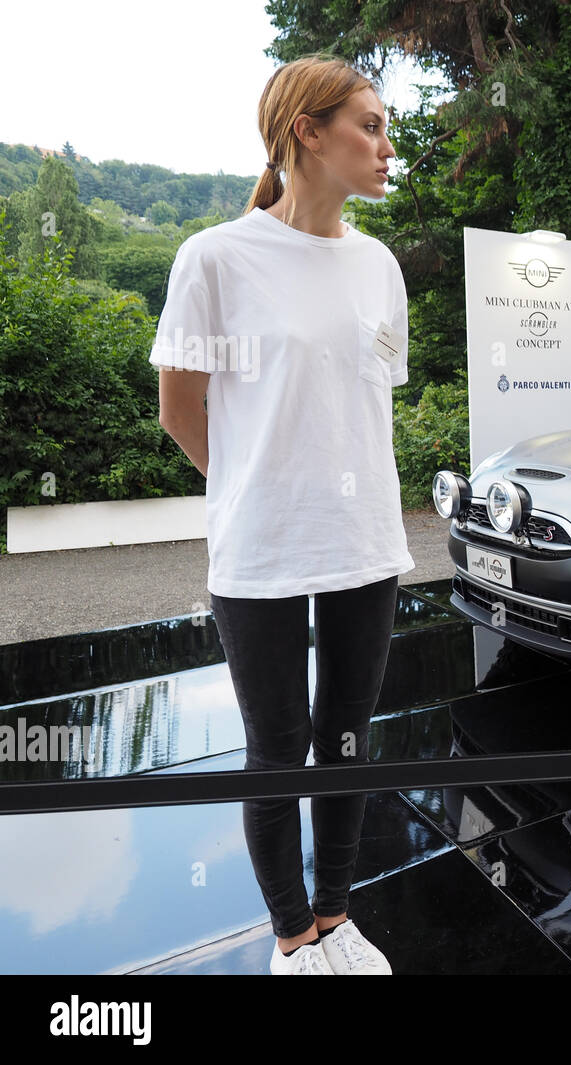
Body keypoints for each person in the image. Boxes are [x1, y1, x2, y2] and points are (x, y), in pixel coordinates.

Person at [150, 54, 414, 974]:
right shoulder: (215, 258)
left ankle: (337, 918)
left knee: (347, 735)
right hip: (260, 545)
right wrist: (252, 487)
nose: (388, 145)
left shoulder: (380, 267)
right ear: (308, 130)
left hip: (367, 539)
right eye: (370, 125)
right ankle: (292, 933)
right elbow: (180, 411)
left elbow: (364, 401)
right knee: (278, 748)